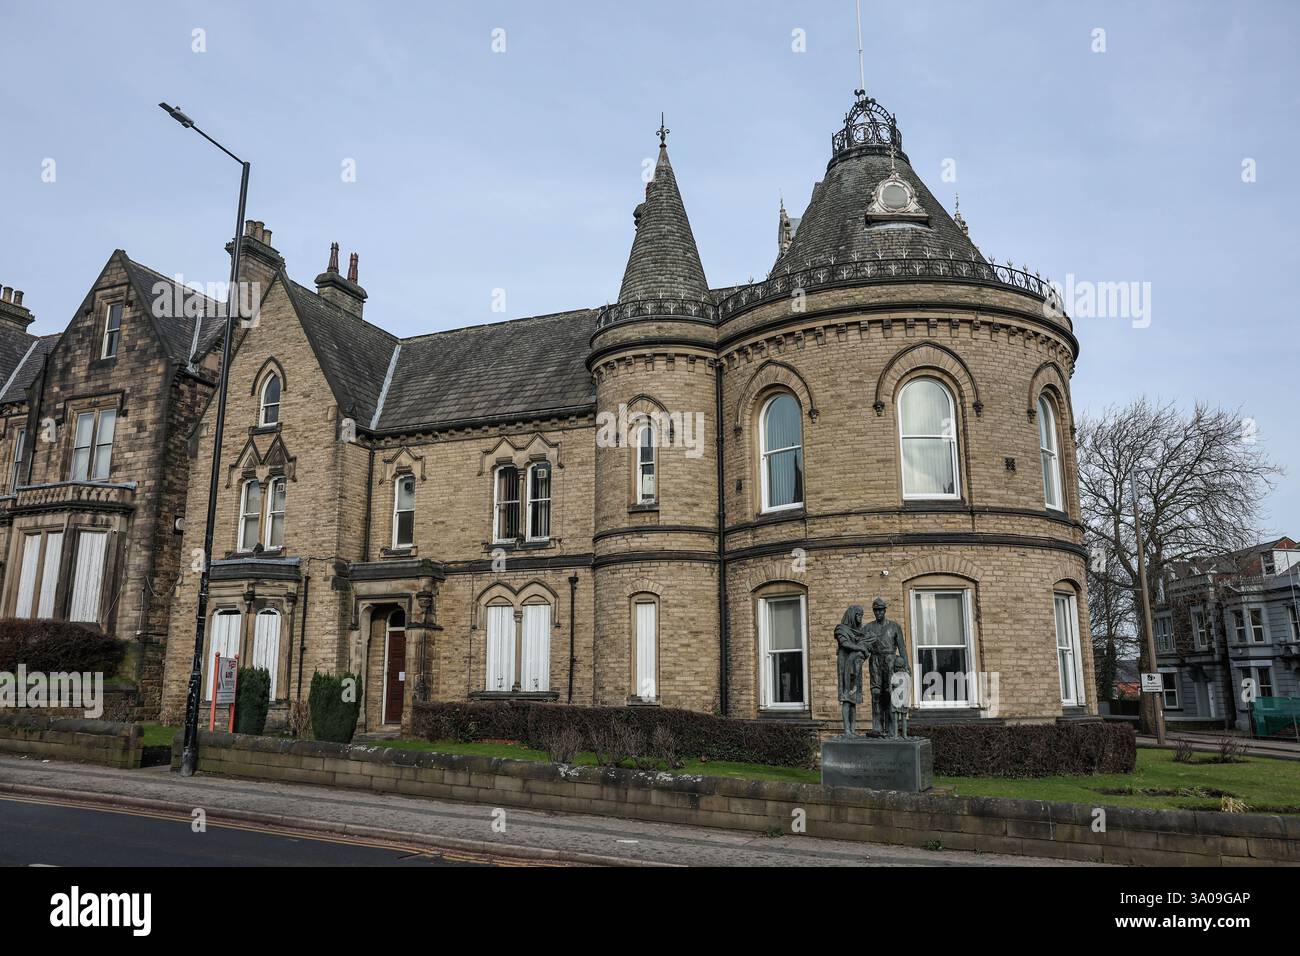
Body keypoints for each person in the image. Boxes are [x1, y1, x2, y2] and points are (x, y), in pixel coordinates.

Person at [834, 605, 872, 737]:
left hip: (856, 667)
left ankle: (853, 729)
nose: (860, 618)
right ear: (852, 615)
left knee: (853, 699)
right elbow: (844, 644)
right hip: (845, 666)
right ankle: (846, 730)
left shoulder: (859, 632)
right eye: (859, 615)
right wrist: (860, 648)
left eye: (862, 615)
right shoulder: (841, 629)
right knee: (846, 697)